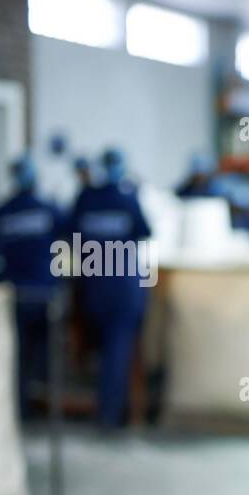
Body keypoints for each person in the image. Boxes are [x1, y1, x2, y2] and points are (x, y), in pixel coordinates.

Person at [68, 147, 153, 428]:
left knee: (104, 351)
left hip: (95, 287)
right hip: (122, 288)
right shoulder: (127, 199)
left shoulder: (85, 198)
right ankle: (110, 415)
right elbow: (145, 230)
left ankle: (106, 410)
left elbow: (70, 234)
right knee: (119, 351)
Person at [0, 154, 65, 416]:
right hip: (44, 295)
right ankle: (44, 410)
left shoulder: (1, 212)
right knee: (46, 356)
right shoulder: (48, 209)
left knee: (15, 356)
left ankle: (19, 409)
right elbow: (72, 233)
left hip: (13, 295)